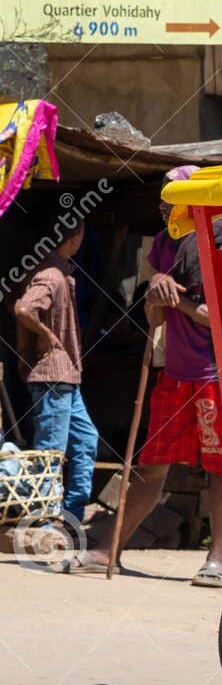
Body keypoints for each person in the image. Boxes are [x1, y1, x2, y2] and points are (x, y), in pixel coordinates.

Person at [82, 172, 222, 586]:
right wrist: (156, 291)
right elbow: (155, 315)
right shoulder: (168, 243)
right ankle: (109, 549)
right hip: (175, 374)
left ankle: (217, 561)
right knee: (150, 468)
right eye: (163, 200)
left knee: (220, 470)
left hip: (214, 376)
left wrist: (178, 298)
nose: (164, 207)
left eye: (173, 200)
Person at [13, 217, 97, 532]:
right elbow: (24, 308)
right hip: (53, 376)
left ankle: (70, 514)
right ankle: (44, 522)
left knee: (86, 440)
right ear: (75, 237)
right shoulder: (50, 273)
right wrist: (46, 335)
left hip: (66, 376)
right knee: (50, 451)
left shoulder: (58, 272)